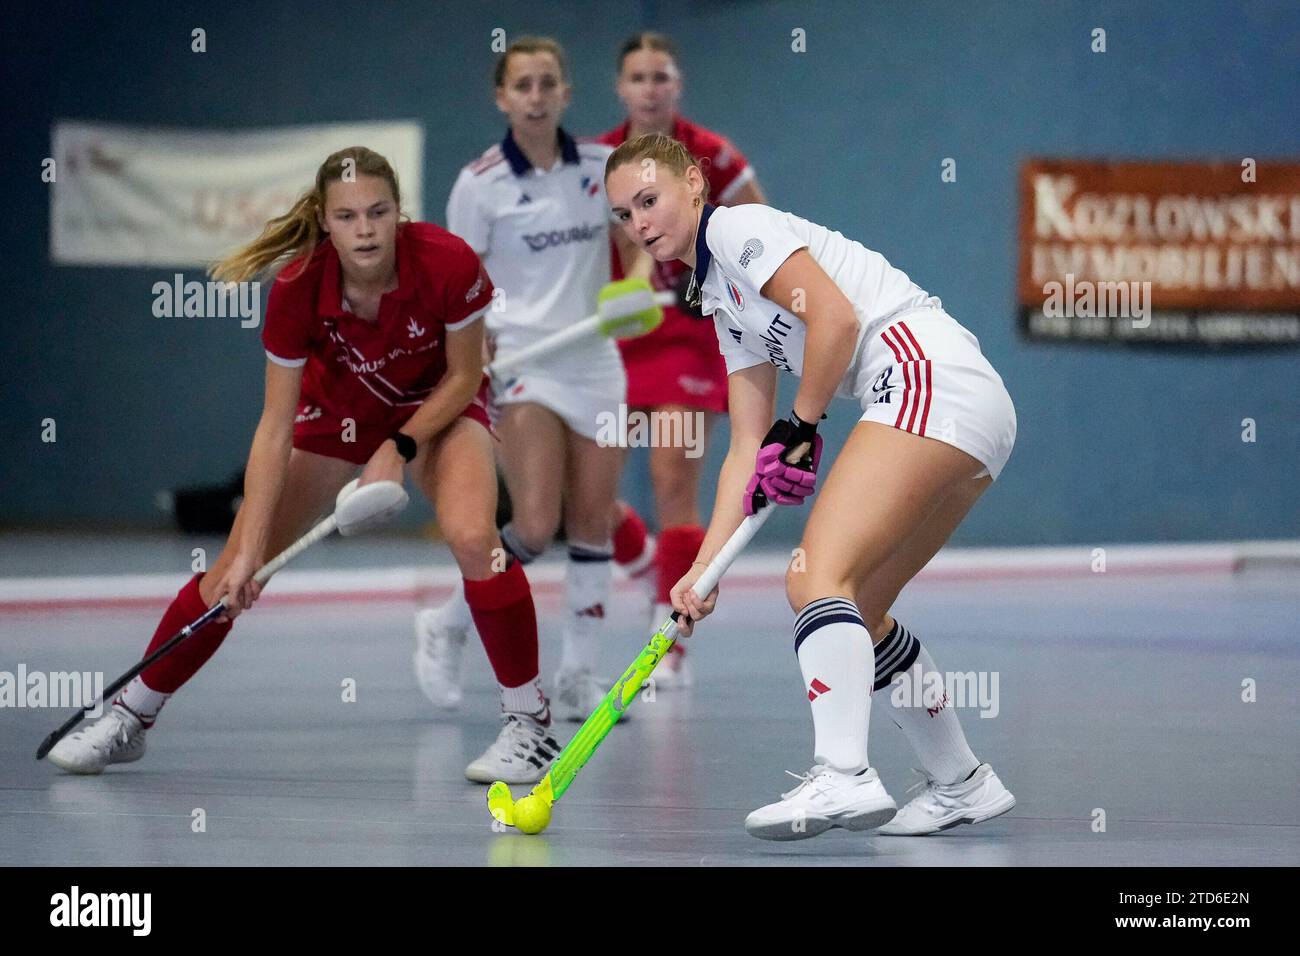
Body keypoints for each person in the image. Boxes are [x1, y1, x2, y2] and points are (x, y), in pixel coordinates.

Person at [48, 147, 561, 786]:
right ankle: (131, 716)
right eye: (347, 216)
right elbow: (272, 428)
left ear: (399, 212)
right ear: (324, 220)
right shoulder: (295, 289)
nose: (366, 229)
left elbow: (463, 377)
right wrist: (250, 547)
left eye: (378, 212)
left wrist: (395, 447)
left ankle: (530, 724)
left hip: (436, 413)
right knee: (234, 570)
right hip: (333, 419)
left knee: (474, 539)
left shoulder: (447, 261)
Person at [605, 133, 1019, 839]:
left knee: (813, 576)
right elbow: (744, 446)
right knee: (861, 602)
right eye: (623, 215)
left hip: (925, 376)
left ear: (695, 184)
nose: (640, 223)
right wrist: (703, 572)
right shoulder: (717, 297)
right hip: (962, 406)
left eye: (649, 200)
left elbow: (837, 319)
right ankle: (960, 782)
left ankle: (843, 775)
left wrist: (803, 424)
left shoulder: (737, 229)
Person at [414, 36, 650, 727]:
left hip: (596, 361)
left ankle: (577, 675)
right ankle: (449, 623)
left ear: (568, 95)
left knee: (592, 522)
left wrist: (633, 285)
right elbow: (461, 286)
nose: (538, 97)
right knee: (536, 522)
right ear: (502, 98)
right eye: (524, 86)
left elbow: (636, 243)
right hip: (522, 364)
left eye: (549, 84)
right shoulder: (479, 184)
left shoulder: (604, 165)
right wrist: (473, 357)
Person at [596, 31, 767, 687]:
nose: (650, 88)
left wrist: (721, 285)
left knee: (673, 479)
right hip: (622, 333)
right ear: (621, 87)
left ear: (678, 83)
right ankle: (647, 569)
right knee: (583, 493)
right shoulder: (601, 158)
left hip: (693, 336)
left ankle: (670, 644)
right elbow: (616, 242)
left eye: (661, 76)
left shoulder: (715, 156)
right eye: (637, 77)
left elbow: (762, 232)